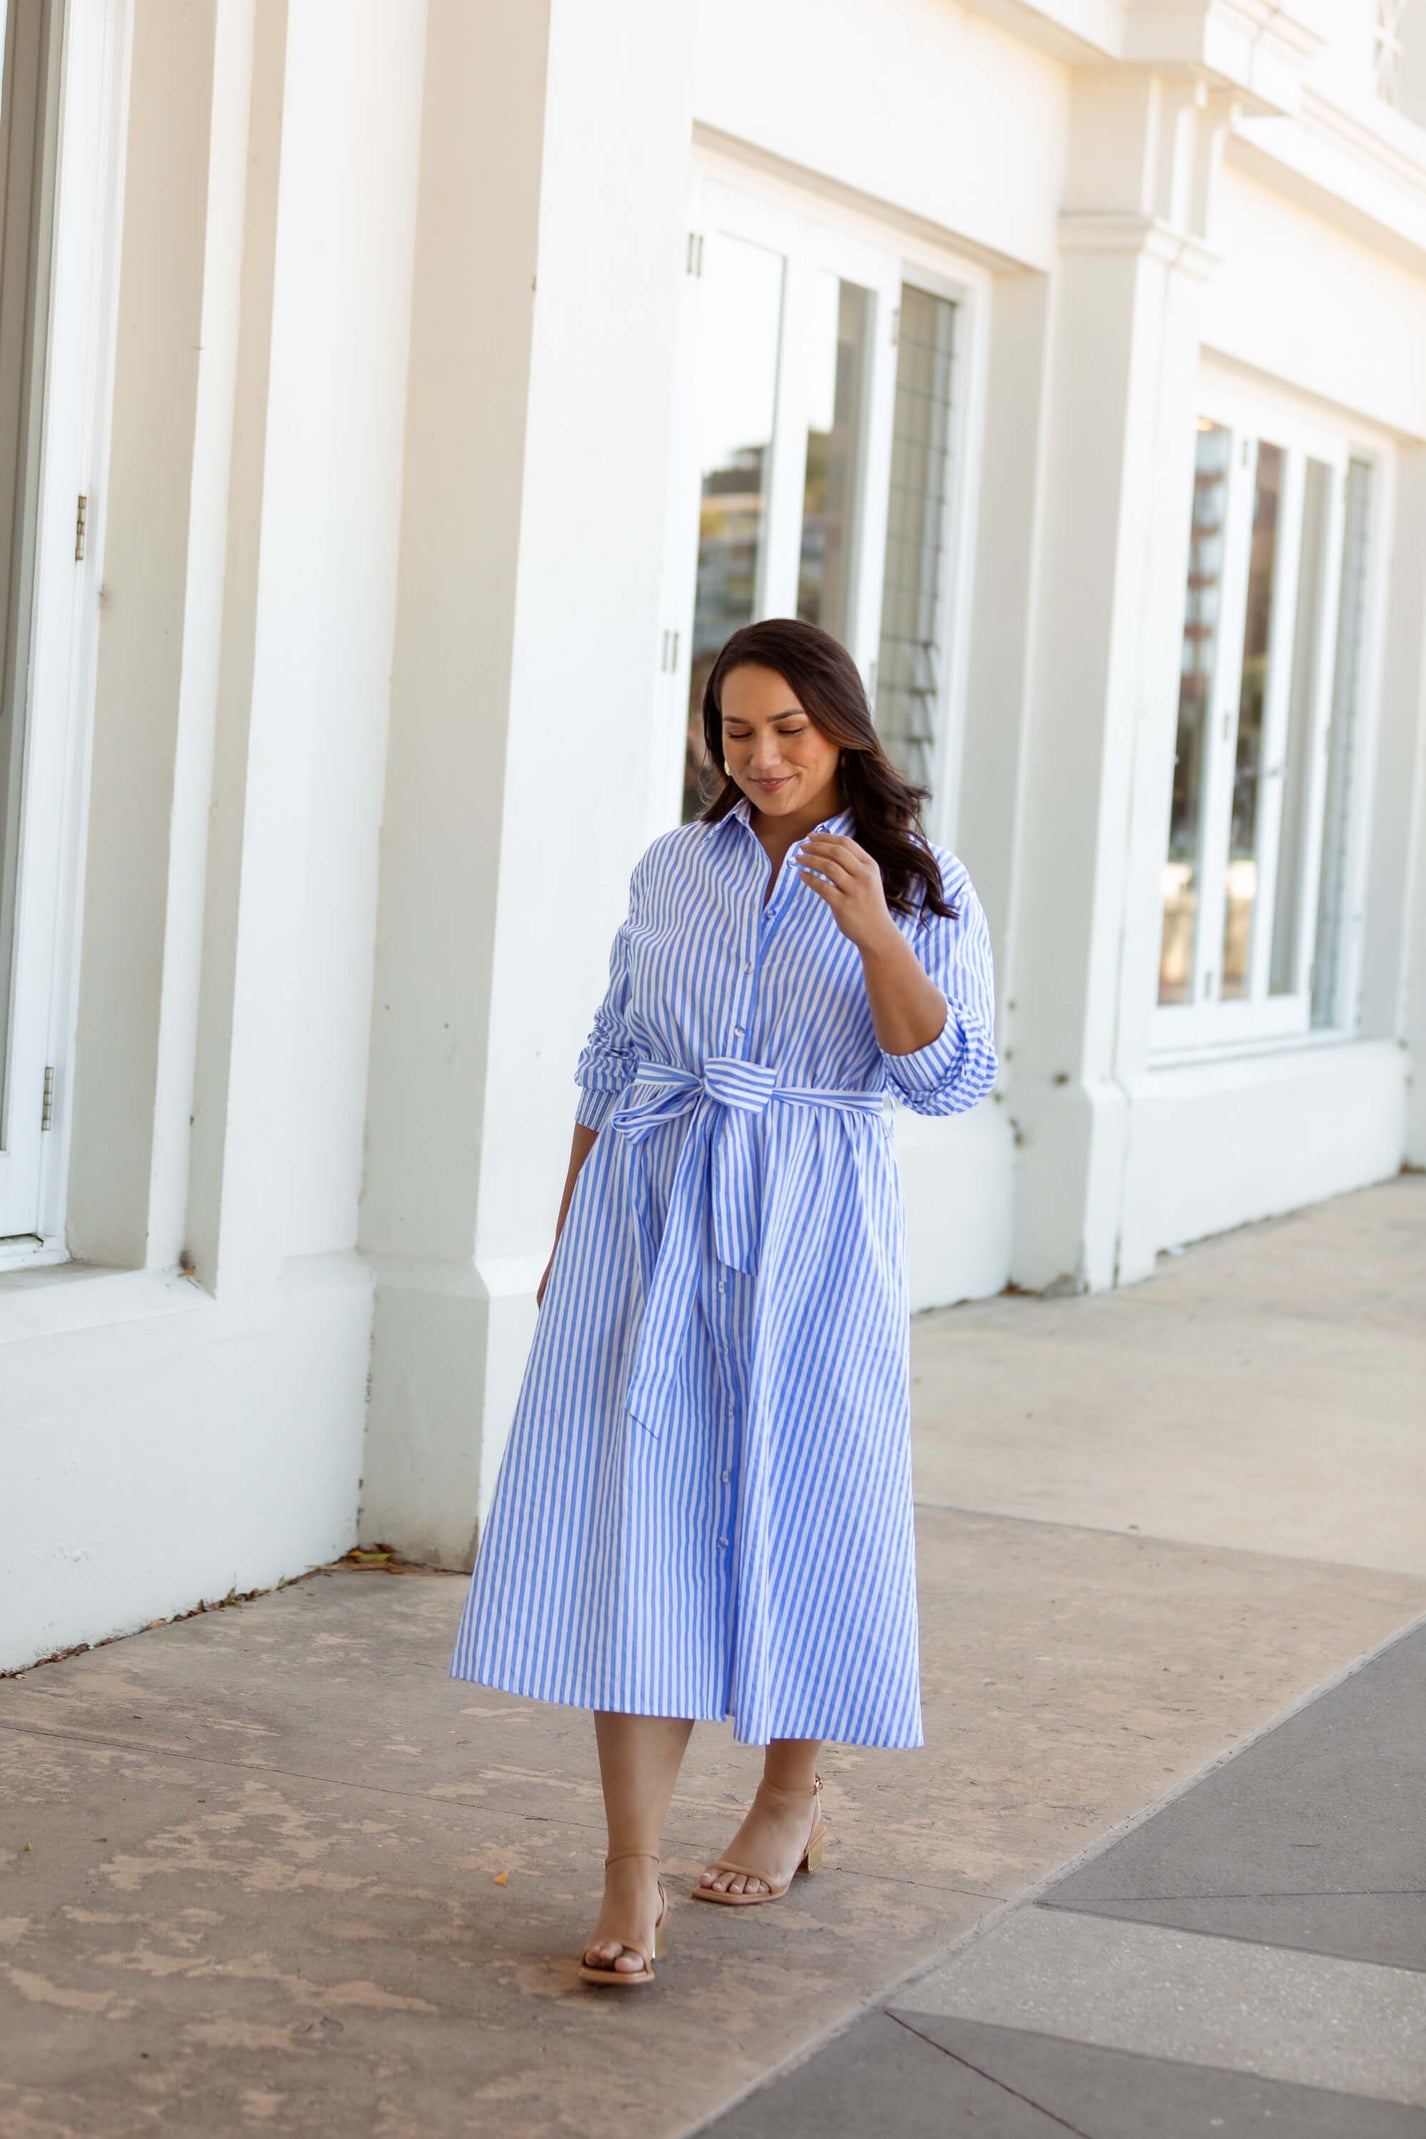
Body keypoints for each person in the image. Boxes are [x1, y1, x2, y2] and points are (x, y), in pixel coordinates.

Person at [449, 617, 997, 1987]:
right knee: (646, 1534)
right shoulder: (671, 870)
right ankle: (629, 1876)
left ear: (843, 728)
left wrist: (873, 929)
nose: (759, 758)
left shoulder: (924, 880)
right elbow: (613, 1054)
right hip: (657, 1211)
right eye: (733, 732)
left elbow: (946, 1079)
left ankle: (789, 1794)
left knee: (803, 1511)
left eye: (787, 732)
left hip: (816, 1226)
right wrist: (572, 1238)